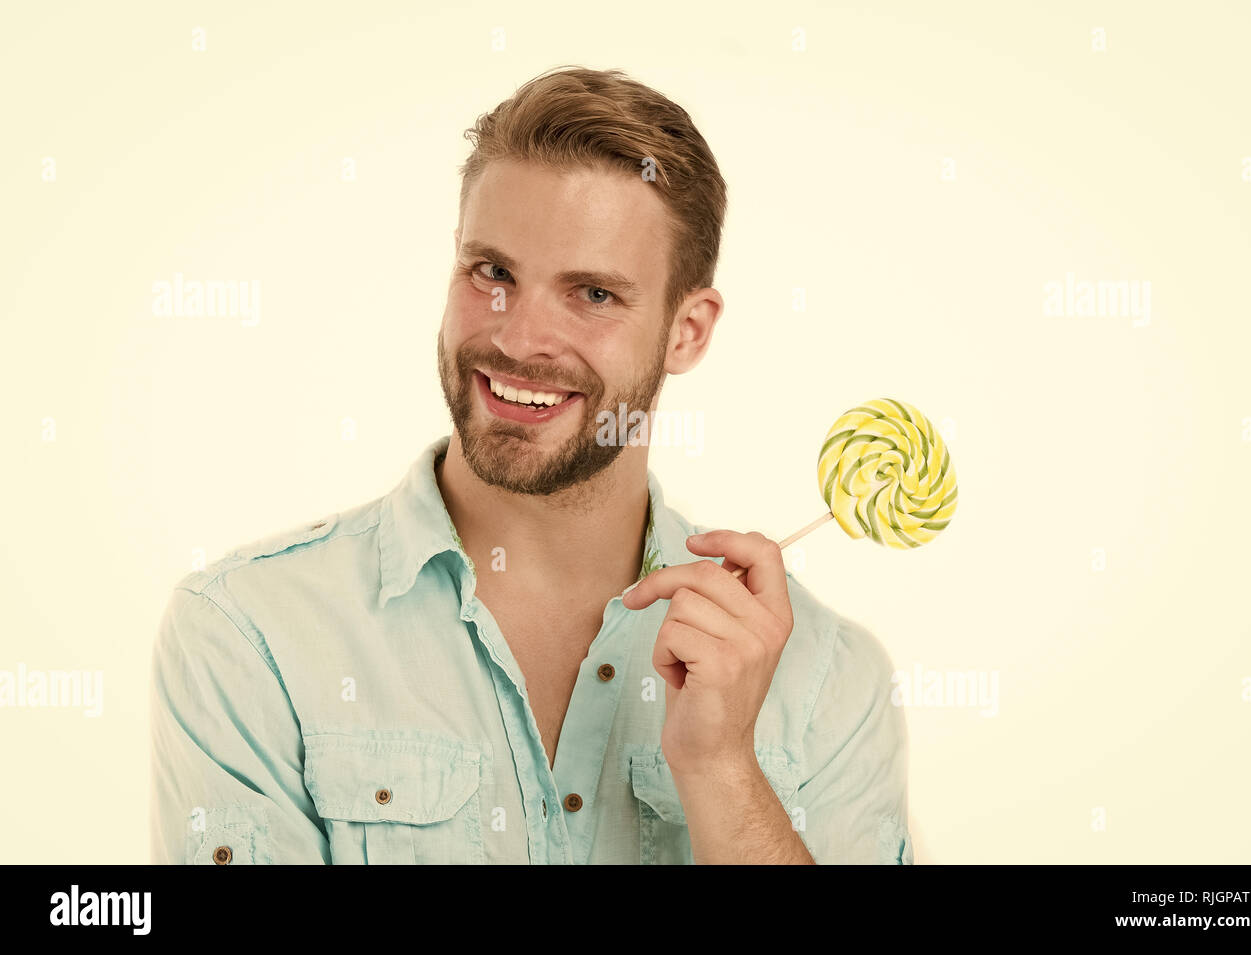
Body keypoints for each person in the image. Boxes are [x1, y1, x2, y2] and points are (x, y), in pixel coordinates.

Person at [149, 65, 913, 865]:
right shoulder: (250, 633)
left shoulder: (829, 682)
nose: (516, 339)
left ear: (687, 331)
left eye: (591, 295)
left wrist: (722, 771)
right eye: (494, 273)